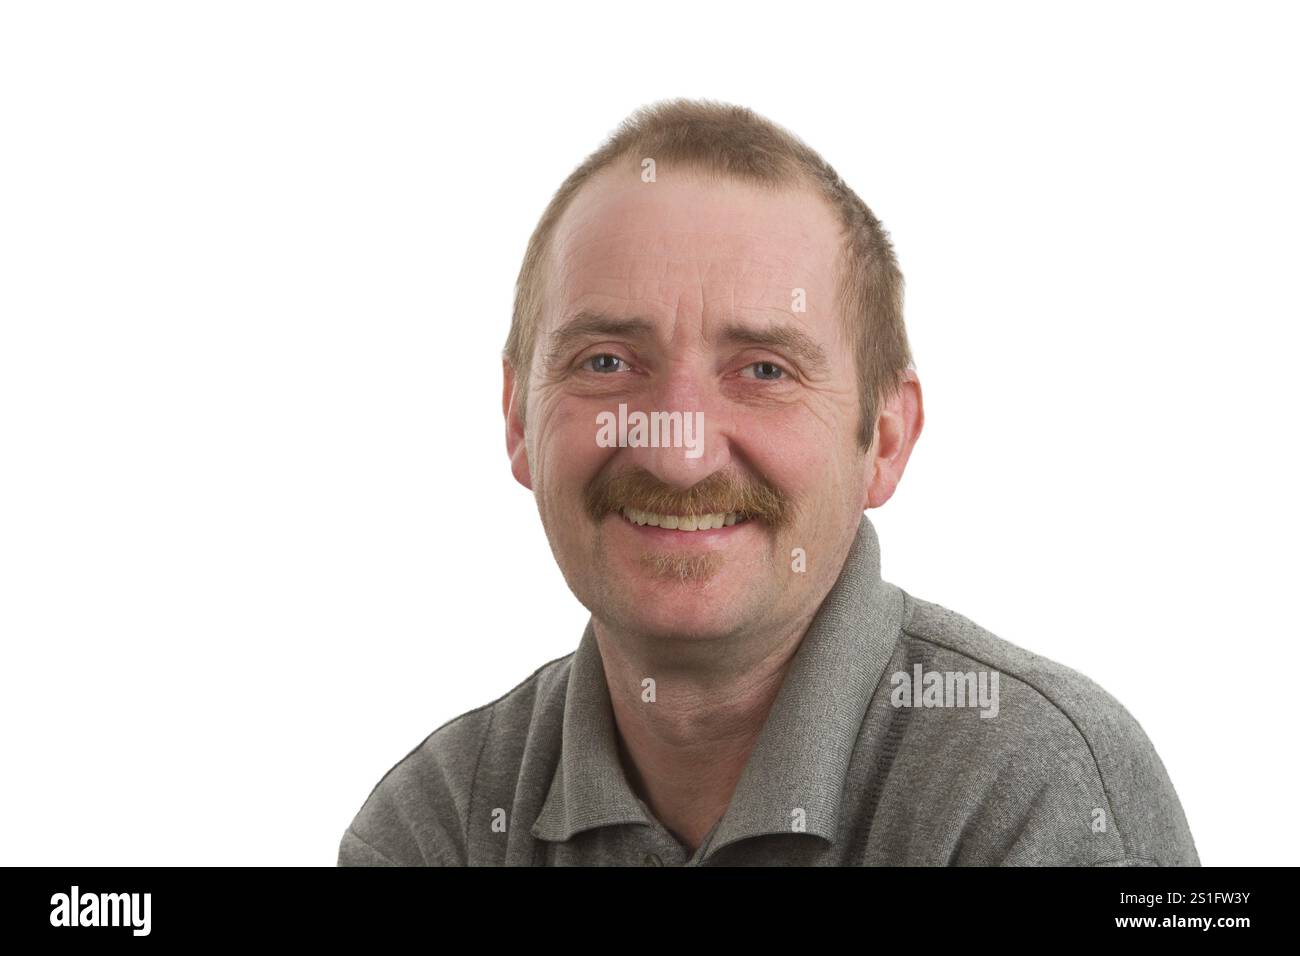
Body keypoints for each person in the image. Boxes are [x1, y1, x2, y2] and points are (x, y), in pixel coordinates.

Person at [338, 98, 1198, 866]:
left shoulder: (1039, 795)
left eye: (763, 371)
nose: (678, 451)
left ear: (886, 439)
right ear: (519, 419)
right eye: (607, 362)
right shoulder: (434, 826)